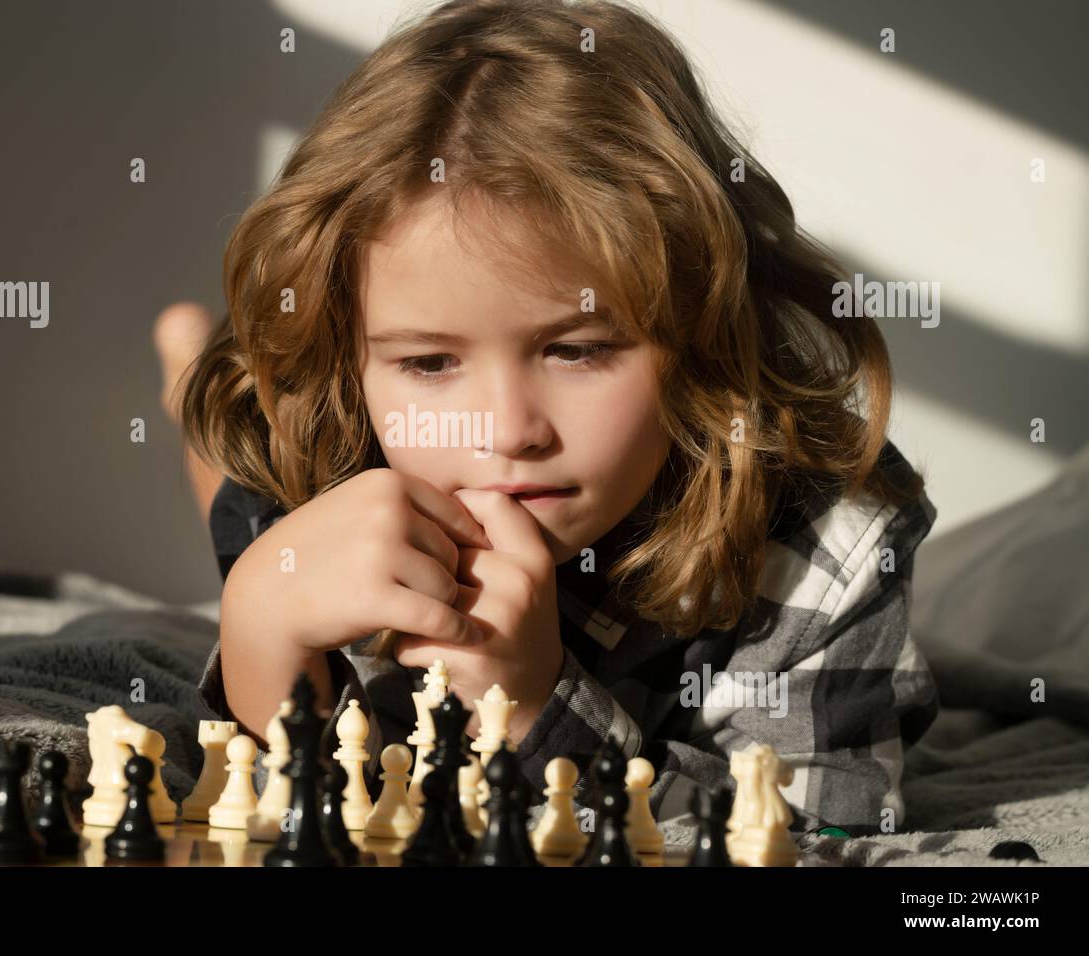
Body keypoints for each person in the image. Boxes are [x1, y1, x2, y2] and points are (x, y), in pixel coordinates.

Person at [153, 0, 938, 835]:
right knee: (237, 493)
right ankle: (186, 368)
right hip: (295, 461)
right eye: (427, 362)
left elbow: (826, 832)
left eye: (578, 350)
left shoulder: (833, 543)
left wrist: (533, 710)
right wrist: (260, 634)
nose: (506, 431)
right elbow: (291, 801)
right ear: (352, 370)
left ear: (705, 333)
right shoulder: (324, 446)